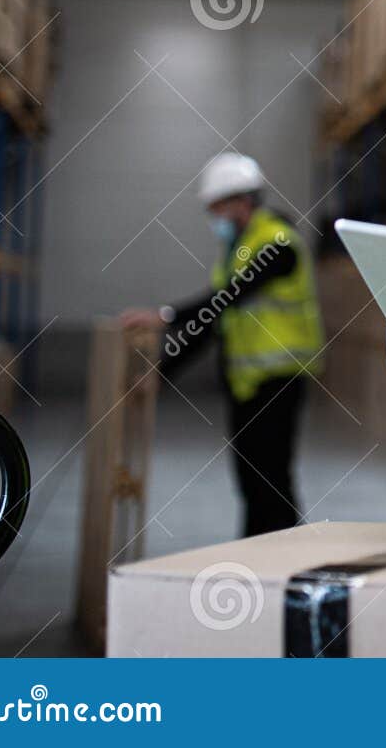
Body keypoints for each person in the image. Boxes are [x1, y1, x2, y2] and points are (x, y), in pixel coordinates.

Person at [121, 152, 325, 537]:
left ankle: (285, 565)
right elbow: (217, 322)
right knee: (250, 483)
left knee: (272, 483)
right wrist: (162, 373)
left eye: (217, 207)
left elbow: (229, 296)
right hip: (245, 384)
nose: (214, 217)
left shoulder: (277, 244)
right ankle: (255, 560)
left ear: (241, 202)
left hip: (278, 383)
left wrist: (165, 316)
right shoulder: (240, 249)